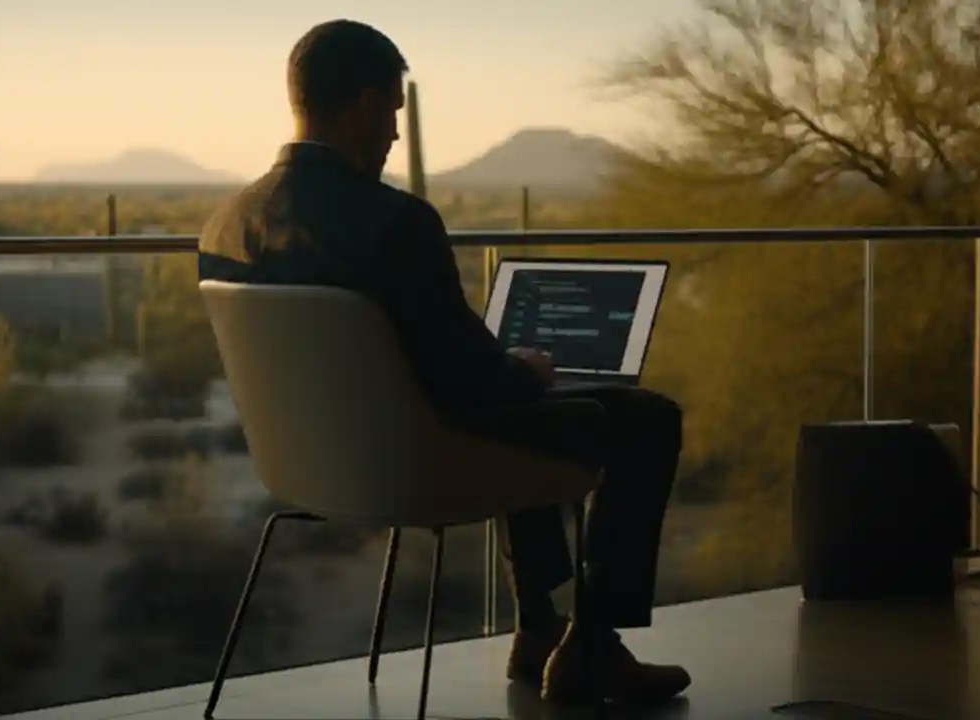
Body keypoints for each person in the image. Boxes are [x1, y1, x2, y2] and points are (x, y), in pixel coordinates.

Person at [198, 18, 690, 706]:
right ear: (368, 105)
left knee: (529, 412)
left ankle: (542, 630)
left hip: (307, 465)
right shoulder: (395, 222)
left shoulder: (227, 223)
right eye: (394, 114)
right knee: (644, 419)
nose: (397, 135)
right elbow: (469, 385)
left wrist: (505, 374)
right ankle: (594, 647)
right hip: (417, 461)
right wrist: (526, 369)